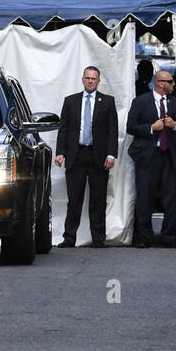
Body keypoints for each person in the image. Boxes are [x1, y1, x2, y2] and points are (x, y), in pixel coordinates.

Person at [55, 66, 118, 248]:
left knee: (98, 200)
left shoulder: (107, 102)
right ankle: (69, 238)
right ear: (83, 80)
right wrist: (61, 153)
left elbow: (113, 130)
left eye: (94, 78)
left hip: (98, 156)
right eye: (87, 78)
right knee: (74, 200)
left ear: (98, 81)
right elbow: (63, 129)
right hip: (76, 156)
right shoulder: (70, 101)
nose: (90, 81)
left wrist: (111, 154)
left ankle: (98, 239)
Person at [127, 67, 176, 247]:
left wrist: (174, 124)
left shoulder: (174, 103)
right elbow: (130, 127)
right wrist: (151, 128)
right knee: (145, 197)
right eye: (170, 82)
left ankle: (169, 236)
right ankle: (144, 237)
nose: (173, 84)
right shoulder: (140, 102)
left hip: (168, 156)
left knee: (171, 198)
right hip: (147, 156)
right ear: (160, 83)